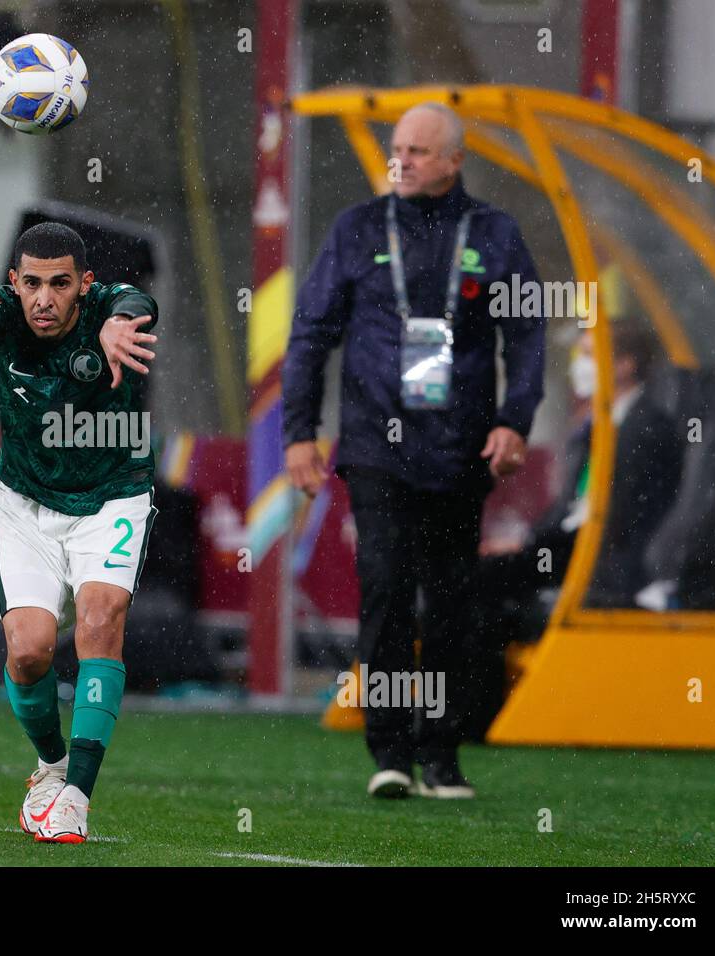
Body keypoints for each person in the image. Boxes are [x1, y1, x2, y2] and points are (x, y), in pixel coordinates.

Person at [282, 102, 546, 799]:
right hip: (376, 445)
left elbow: (525, 338)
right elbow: (311, 334)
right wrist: (299, 433)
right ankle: (392, 752)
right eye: (398, 148)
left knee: (455, 603)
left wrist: (516, 420)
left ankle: (443, 752)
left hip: (461, 446)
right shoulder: (358, 228)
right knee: (388, 587)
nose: (404, 160)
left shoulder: (493, 233)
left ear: (455, 161)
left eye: (421, 152)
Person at [0, 221, 159, 843]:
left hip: (113, 496)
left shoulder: (110, 307)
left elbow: (138, 302)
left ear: (83, 284)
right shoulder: (1, 314)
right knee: (29, 650)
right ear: (16, 281)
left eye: (60, 284)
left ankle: (77, 796)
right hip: (27, 504)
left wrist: (120, 322)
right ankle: (52, 762)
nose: (44, 298)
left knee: (98, 621)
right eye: (31, 283)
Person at [466, 325, 681, 737]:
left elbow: (613, 518)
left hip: (607, 560)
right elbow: (569, 509)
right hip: (570, 549)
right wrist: (526, 544)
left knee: (482, 582)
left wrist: (529, 548)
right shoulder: (598, 422)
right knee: (475, 578)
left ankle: (475, 715)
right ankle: (474, 706)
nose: (579, 367)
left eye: (589, 354)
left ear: (626, 364)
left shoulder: (645, 427)